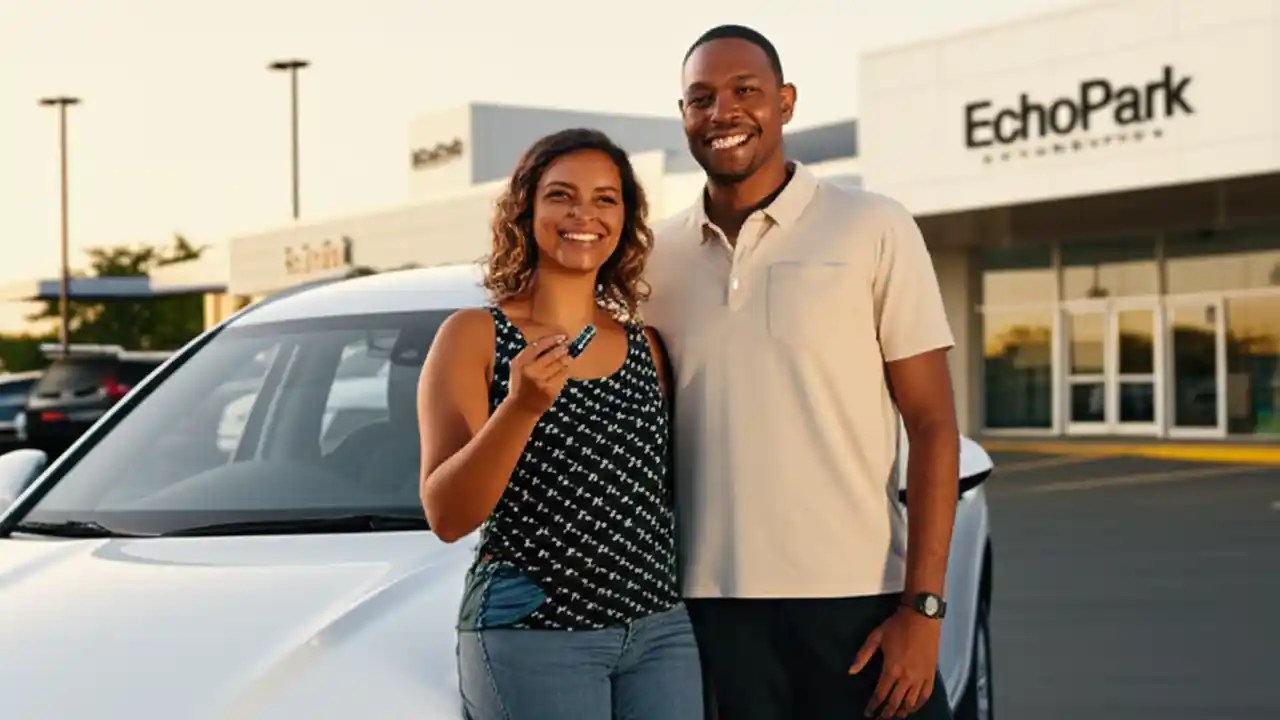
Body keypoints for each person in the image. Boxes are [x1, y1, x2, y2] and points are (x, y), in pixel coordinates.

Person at [643, 24, 961, 720]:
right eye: (700, 98)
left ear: (785, 103)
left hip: (861, 605)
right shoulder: (653, 257)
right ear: (684, 117)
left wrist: (925, 610)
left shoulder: (873, 225)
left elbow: (934, 424)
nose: (721, 111)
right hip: (707, 610)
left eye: (744, 91)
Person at [416, 128, 703, 720]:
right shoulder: (474, 337)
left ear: (625, 218)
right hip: (536, 634)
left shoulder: (646, 346)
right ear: (526, 208)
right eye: (561, 195)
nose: (583, 214)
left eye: (605, 198)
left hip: (659, 631)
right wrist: (520, 408)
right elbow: (447, 515)